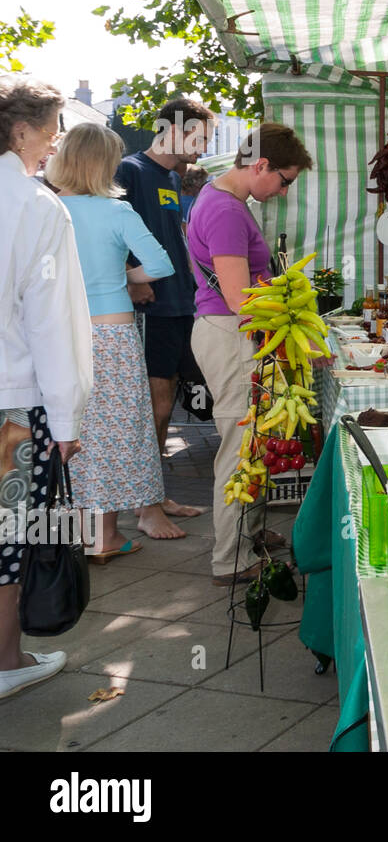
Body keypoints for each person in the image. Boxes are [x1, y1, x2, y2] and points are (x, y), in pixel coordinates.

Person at [46, 124, 182, 552]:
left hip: (59, 333)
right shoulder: (117, 212)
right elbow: (161, 264)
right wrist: (123, 276)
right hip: (113, 332)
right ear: (107, 164)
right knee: (117, 432)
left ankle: (75, 534)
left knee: (71, 428)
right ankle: (105, 535)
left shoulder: (47, 209)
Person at [187, 123, 313, 585]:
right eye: (285, 180)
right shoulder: (224, 209)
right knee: (239, 450)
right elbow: (240, 297)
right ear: (261, 165)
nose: (283, 191)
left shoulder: (224, 201)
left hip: (230, 331)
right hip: (230, 333)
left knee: (253, 442)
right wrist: (297, 323)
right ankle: (231, 559)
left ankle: (251, 531)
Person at [0, 76, 93, 698]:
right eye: (52, 129)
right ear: (23, 129)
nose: (56, 144)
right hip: (13, 405)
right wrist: (66, 423)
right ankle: (5, 663)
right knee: (10, 535)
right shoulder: (34, 206)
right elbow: (54, 323)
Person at [114, 97, 214, 519]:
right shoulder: (129, 170)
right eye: (201, 136)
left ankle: (153, 496)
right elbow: (109, 231)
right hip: (149, 308)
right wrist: (129, 277)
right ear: (174, 128)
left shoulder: (172, 179)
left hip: (178, 304)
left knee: (165, 406)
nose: (204, 148)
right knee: (152, 407)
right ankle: (145, 505)